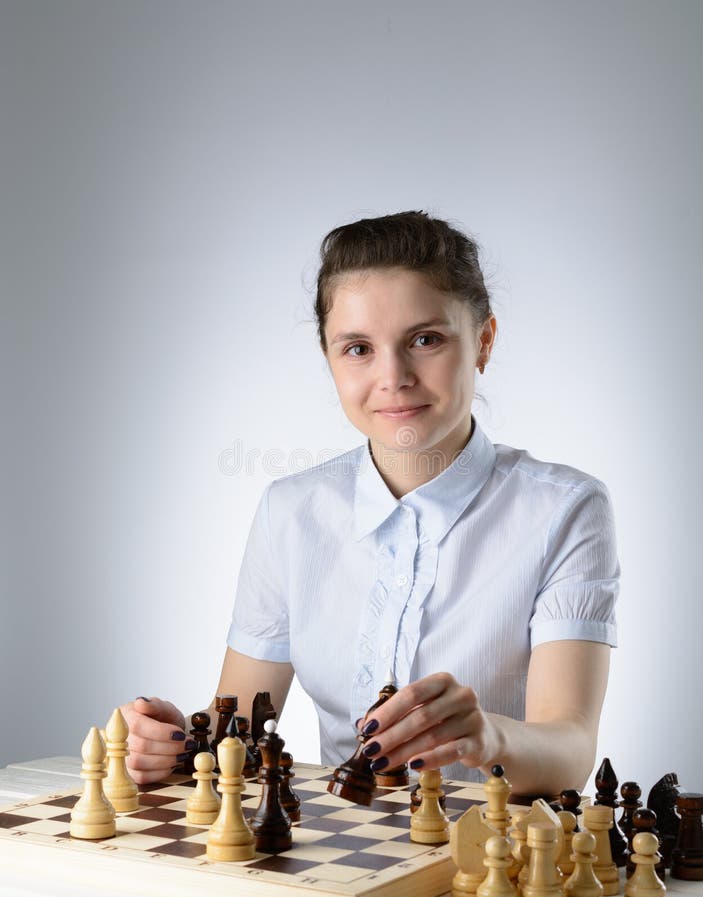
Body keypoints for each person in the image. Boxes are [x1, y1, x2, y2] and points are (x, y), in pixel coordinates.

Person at [121, 211, 619, 796]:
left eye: (425, 340)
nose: (393, 376)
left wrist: (488, 737)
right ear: (329, 358)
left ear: (484, 340)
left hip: (493, 858)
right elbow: (245, 730)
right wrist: (186, 745)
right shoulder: (290, 511)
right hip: (336, 861)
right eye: (358, 348)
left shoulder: (565, 508)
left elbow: (571, 747)